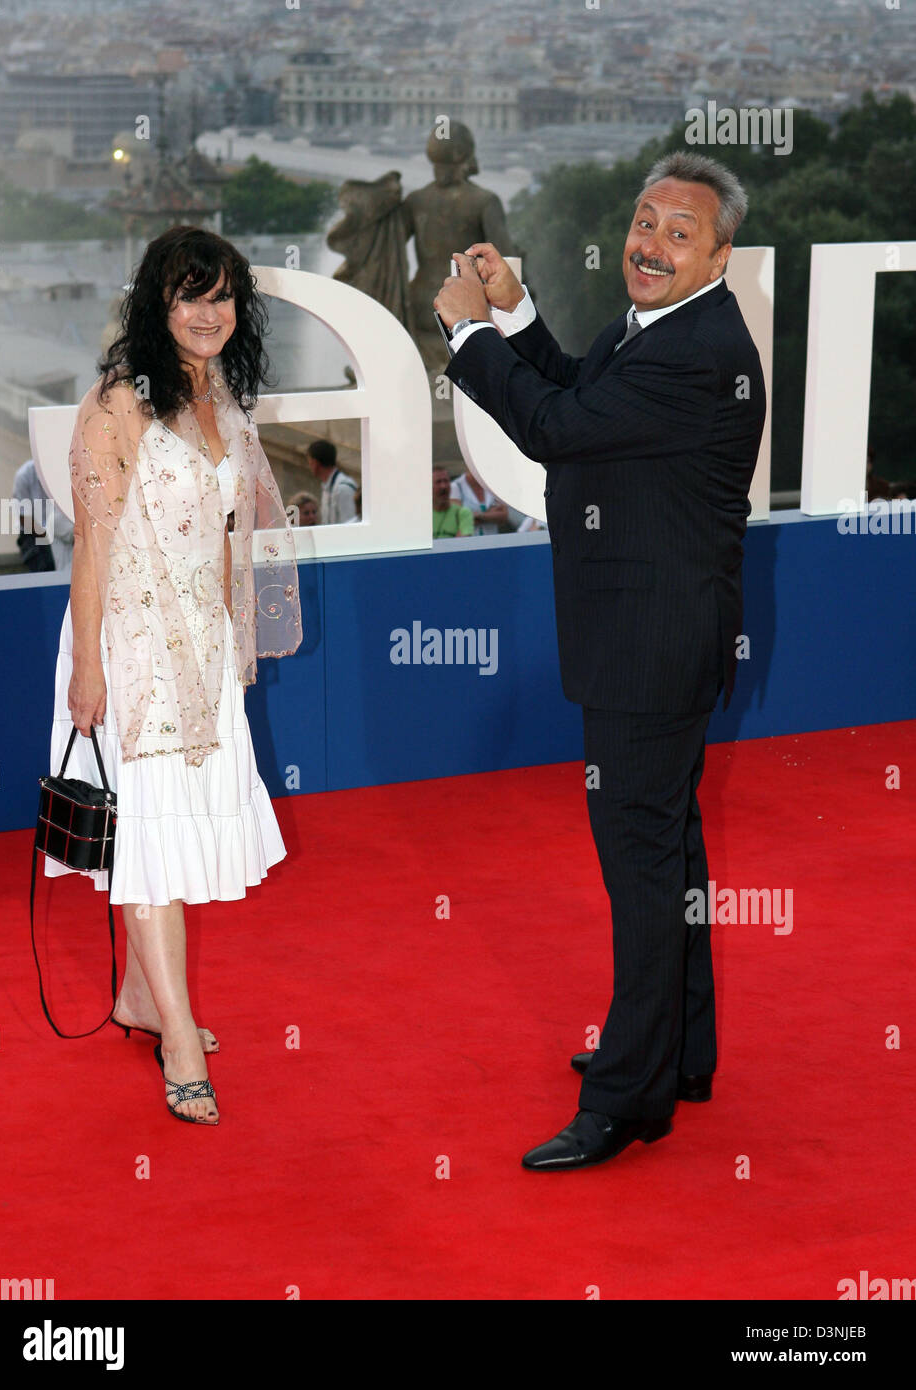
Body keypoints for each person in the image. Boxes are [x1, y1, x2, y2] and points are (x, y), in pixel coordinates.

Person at [435, 151, 766, 1171]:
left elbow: (552, 428)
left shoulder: (695, 351)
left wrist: (464, 332)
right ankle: (681, 1055)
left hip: (647, 648)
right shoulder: (670, 332)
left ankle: (628, 1098)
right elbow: (584, 388)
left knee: (641, 869)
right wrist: (519, 307)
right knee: (670, 854)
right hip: (657, 637)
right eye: (644, 220)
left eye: (679, 232)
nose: (651, 243)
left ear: (718, 254)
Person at [45, 225, 302, 1125]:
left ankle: (142, 1001)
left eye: (224, 295)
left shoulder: (221, 397)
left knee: (166, 831)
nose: (210, 313)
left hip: (200, 647)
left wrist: (231, 639)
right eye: (192, 295)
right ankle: (180, 1041)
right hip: (129, 650)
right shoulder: (116, 404)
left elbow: (233, 539)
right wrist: (88, 668)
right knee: (148, 836)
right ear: (159, 303)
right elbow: (95, 548)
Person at [306, 439, 359, 525]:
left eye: (309, 462)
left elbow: (351, 527)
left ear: (315, 463)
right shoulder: (327, 487)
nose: (309, 466)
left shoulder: (343, 489)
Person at [449, 469, 508, 536]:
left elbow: (503, 517)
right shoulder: (455, 487)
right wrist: (491, 515)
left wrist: (477, 515)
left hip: (493, 543)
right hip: (469, 543)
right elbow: (458, 521)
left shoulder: (493, 484)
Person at [431, 464, 474, 538]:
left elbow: (461, 544)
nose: (443, 486)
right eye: (438, 482)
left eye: (446, 481)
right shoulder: (421, 515)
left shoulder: (462, 513)